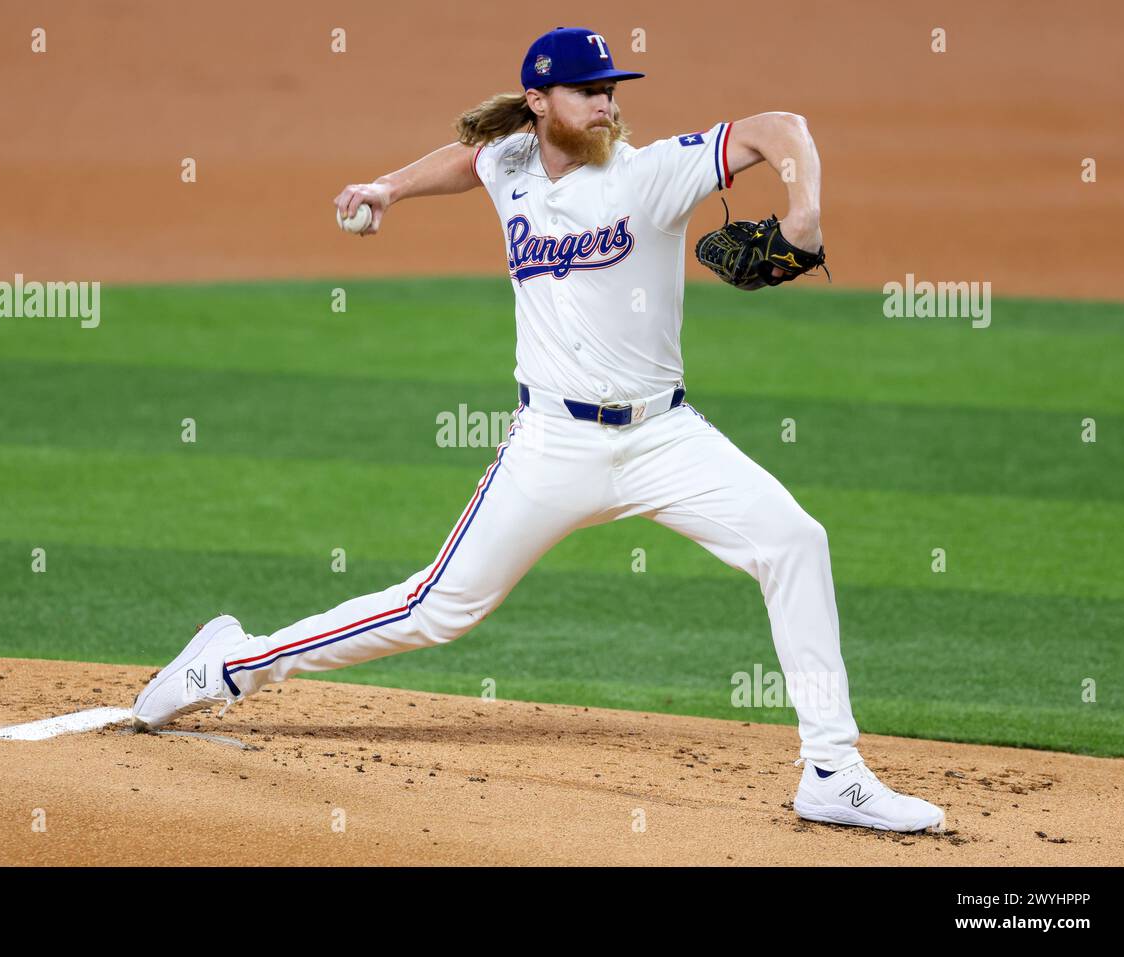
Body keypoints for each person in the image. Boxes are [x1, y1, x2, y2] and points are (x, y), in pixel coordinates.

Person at [133, 27, 945, 834]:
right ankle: (230, 663)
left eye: (611, 89)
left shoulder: (651, 174)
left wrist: (803, 215)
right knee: (435, 610)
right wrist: (386, 188)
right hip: (553, 446)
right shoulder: (515, 161)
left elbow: (780, 128)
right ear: (539, 102)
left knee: (795, 541)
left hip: (666, 440)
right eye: (589, 90)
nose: (607, 103)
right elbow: (469, 160)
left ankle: (834, 771)